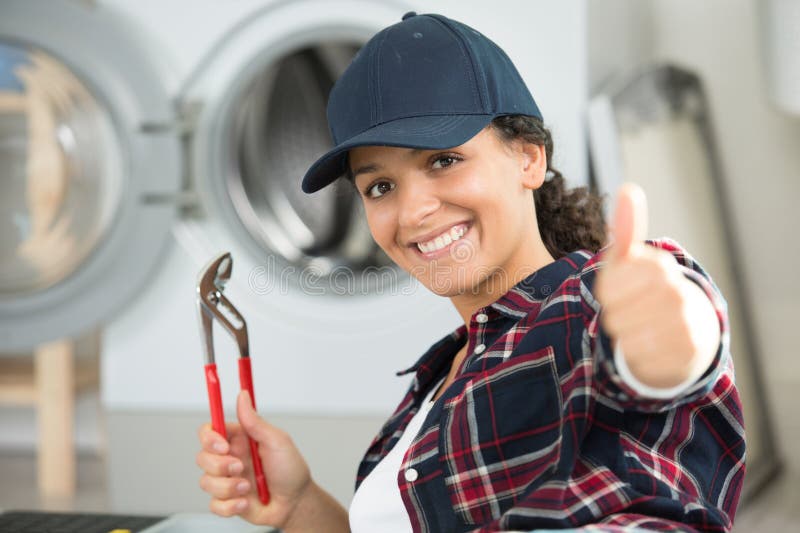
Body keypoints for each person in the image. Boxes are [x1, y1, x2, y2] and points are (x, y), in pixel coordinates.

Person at [195, 12, 744, 532]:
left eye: (443, 161)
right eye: (380, 186)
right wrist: (298, 503)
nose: (412, 213)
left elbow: (672, 345)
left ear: (528, 158)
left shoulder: (589, 301)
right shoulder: (434, 386)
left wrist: (675, 337)